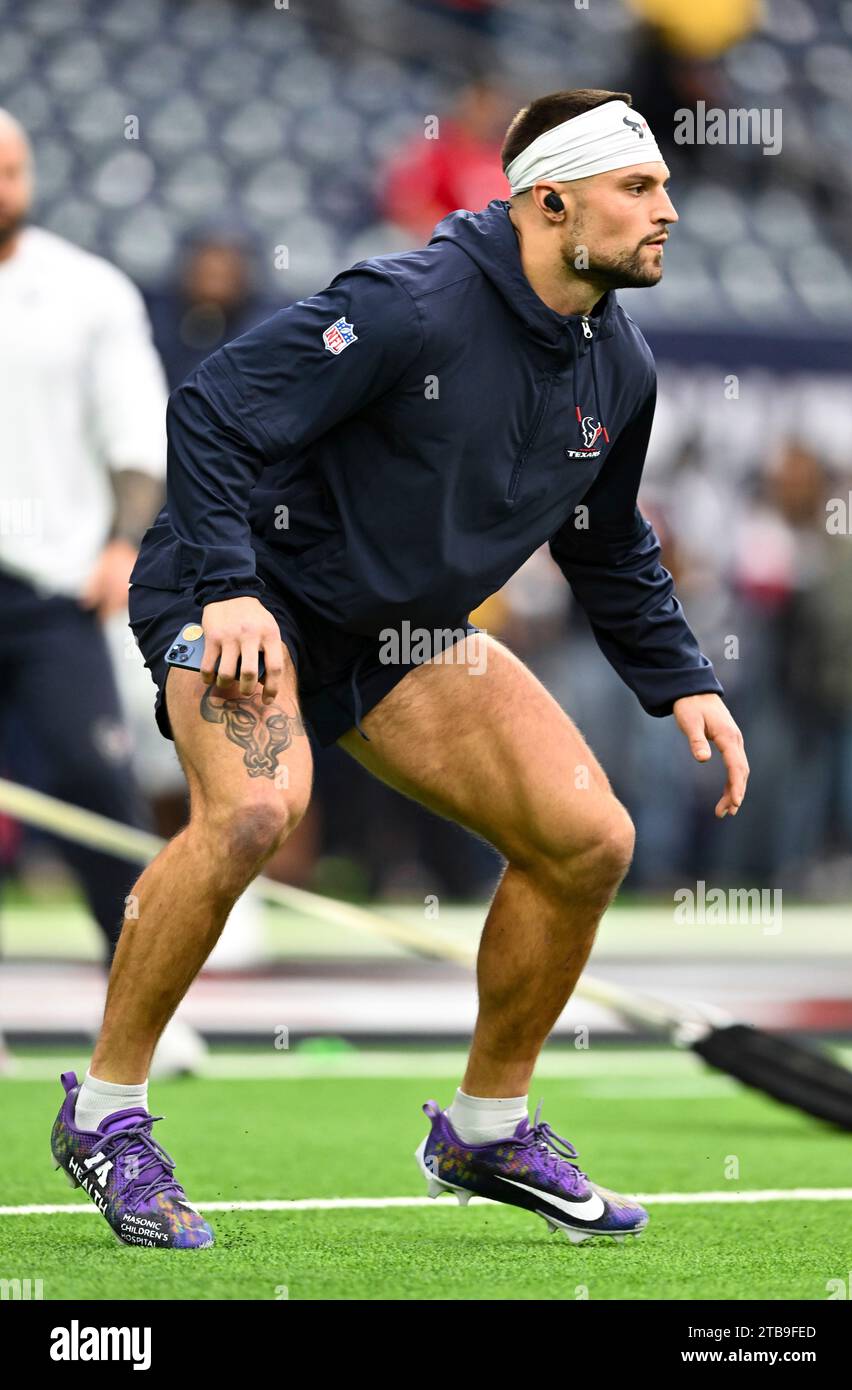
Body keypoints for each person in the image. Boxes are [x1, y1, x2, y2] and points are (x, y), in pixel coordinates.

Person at [51, 88, 749, 1250]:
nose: (665, 210)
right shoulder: (410, 302)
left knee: (590, 840)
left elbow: (604, 536)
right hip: (243, 589)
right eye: (638, 189)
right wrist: (226, 582)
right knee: (255, 812)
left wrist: (680, 677)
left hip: (398, 627)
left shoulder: (616, 362)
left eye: (665, 188)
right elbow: (215, 411)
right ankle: (108, 1113)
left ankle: (485, 1128)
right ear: (548, 201)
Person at [0, 109, 203, 1078]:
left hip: (52, 592)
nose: (5, 186)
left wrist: (123, 540)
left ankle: (148, 1015)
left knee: (95, 795)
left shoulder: (87, 290)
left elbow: (135, 434)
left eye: (12, 169)